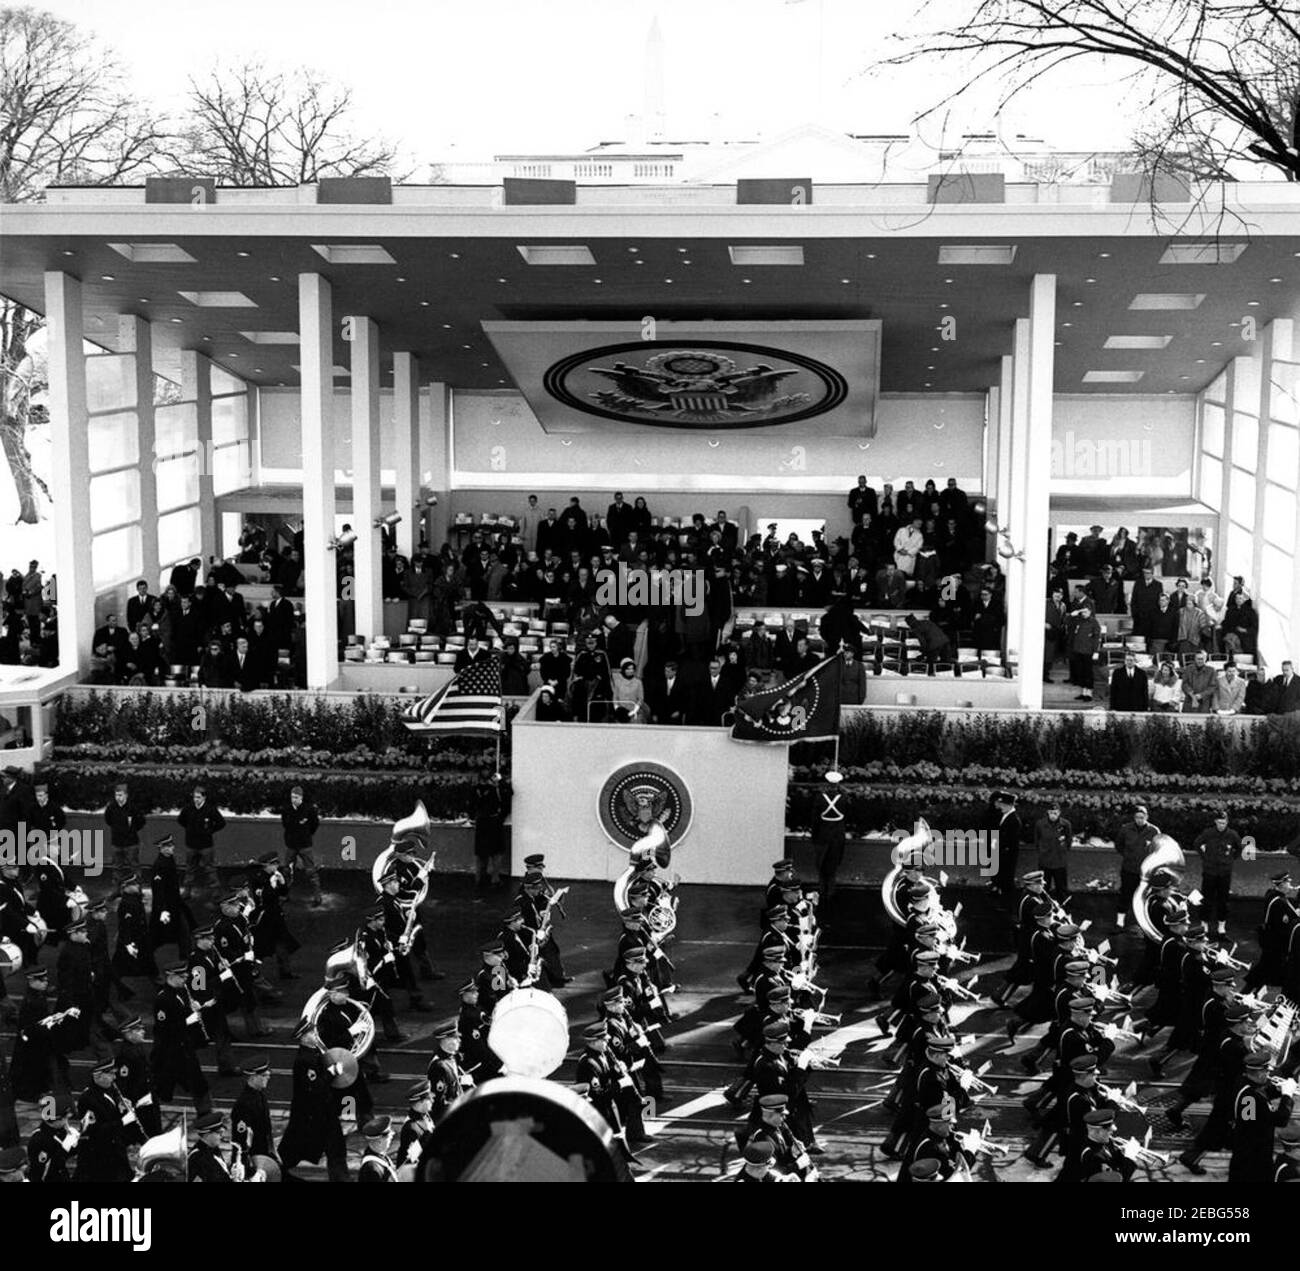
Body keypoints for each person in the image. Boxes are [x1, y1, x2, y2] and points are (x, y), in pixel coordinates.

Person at [278, 1018, 349, 1182]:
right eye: (311, 1032)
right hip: (313, 1114)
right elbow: (316, 1087)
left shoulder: (315, 1052)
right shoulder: (304, 1060)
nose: (315, 1034)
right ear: (303, 1037)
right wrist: (332, 1072)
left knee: (335, 1149)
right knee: (294, 1149)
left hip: (321, 1112)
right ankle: (273, 1172)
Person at [1192, 811, 1243, 938]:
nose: (1221, 825)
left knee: (1223, 900)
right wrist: (1205, 857)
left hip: (1224, 873)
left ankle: (1221, 927)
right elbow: (1197, 844)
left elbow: (1240, 848)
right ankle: (1205, 926)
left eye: (1224, 823)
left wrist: (1230, 859)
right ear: (1215, 822)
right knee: (1207, 899)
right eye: (1219, 822)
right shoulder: (1208, 833)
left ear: (1227, 823)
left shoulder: (1232, 834)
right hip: (1210, 871)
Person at [1114, 805, 1160, 929]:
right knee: (1125, 894)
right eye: (1137, 817)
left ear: (1147, 817)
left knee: (1144, 896)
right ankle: (1120, 922)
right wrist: (1128, 855)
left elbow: (1158, 849)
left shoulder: (1154, 831)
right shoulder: (1126, 829)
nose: (1139, 820)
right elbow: (1119, 845)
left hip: (1145, 871)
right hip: (1129, 868)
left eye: (1142, 817)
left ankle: (1144, 922)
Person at [176, 784, 225, 901]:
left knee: (210, 869)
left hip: (206, 845)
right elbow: (180, 820)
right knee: (189, 869)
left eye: (198, 797)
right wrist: (190, 830)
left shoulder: (210, 809)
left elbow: (221, 823)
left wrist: (210, 831)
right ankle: (187, 891)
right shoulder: (188, 809)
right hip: (191, 845)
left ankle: (216, 892)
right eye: (194, 797)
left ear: (204, 798)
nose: (195, 800)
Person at [279, 784, 322, 906]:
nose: (294, 799)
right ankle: (284, 895)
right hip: (291, 844)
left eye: (296, 797)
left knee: (311, 871)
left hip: (304, 845)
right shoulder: (286, 809)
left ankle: (317, 897)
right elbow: (285, 824)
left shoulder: (309, 810)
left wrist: (307, 834)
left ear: (301, 798)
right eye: (292, 797)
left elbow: (315, 824)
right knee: (286, 870)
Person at [1066, 602, 1103, 701]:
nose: (1084, 614)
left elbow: (1097, 638)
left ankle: (1089, 693)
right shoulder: (1078, 620)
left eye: (1086, 612)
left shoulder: (1094, 622)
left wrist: (1096, 651)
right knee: (1080, 672)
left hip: (1088, 651)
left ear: (1090, 612)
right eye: (1082, 612)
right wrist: (1072, 614)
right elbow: (1066, 622)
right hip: (1078, 650)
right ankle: (1083, 692)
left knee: (1088, 673)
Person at [989, 790, 1022, 898]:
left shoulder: (1014, 820)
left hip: (1007, 854)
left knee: (1007, 878)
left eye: (1003, 805)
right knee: (1002, 877)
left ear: (1009, 805)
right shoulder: (1005, 816)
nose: (1001, 806)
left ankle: (1007, 900)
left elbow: (1010, 840)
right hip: (1002, 852)